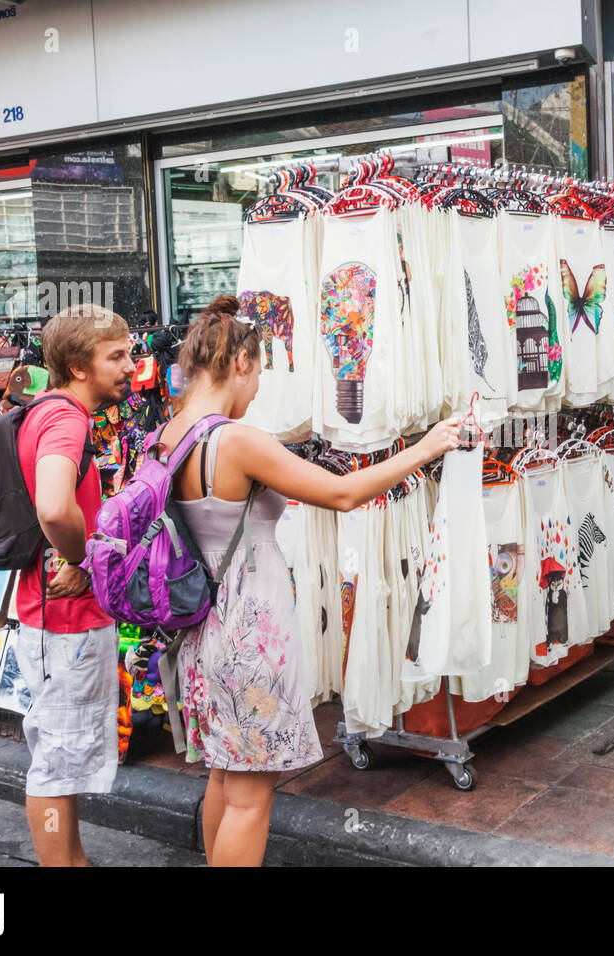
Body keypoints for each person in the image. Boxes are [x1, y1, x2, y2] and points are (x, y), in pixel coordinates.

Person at [160, 295, 461, 867]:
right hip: (249, 633)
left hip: (201, 632)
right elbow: (343, 496)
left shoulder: (167, 435)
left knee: (225, 776)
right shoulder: (237, 440)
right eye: (260, 375)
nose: (257, 393)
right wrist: (425, 448)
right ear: (241, 364)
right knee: (251, 796)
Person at [12, 303, 135, 867]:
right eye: (117, 356)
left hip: (49, 620)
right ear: (79, 367)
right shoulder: (67, 419)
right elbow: (55, 506)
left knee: (59, 756)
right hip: (66, 622)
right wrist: (82, 559)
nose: (131, 366)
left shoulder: (43, 410)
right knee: (57, 764)